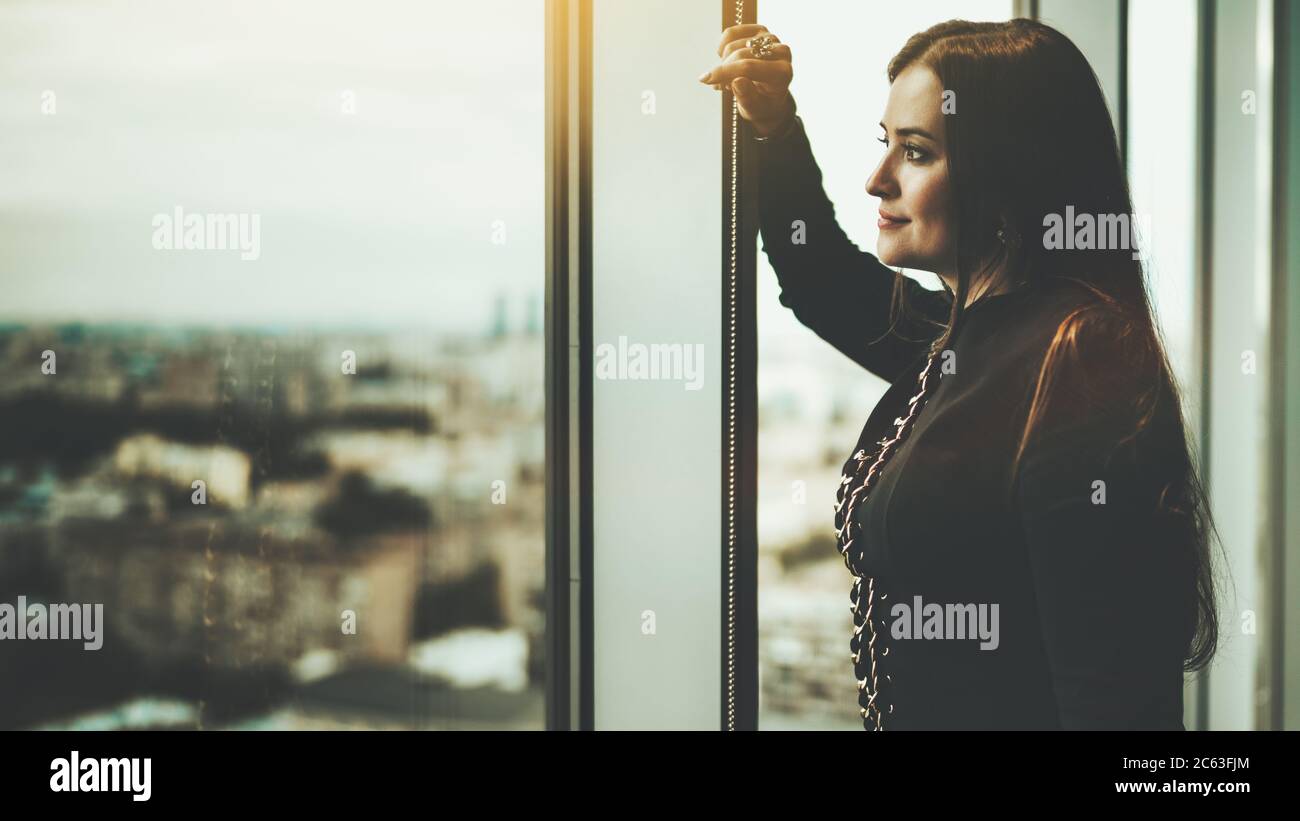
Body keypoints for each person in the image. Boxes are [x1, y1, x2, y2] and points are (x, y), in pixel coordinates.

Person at [699, 18, 1219, 730]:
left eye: (915, 152)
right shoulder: (967, 333)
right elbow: (822, 281)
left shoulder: (1078, 365)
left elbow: (1118, 713)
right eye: (886, 144)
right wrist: (774, 123)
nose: (878, 178)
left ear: (1008, 173)